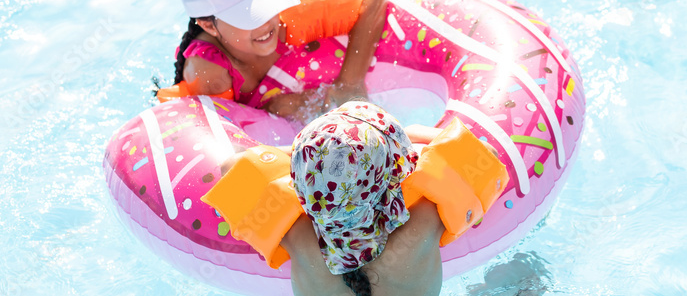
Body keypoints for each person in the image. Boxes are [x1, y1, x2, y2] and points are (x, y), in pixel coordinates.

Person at [205, 101, 504, 296]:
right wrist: (410, 137)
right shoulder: (423, 221)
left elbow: (233, 165)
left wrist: (303, 155)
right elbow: (485, 157)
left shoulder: (297, 232)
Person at [169, 0, 387, 120]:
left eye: (266, 4)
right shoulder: (210, 74)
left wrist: (349, 83)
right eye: (248, 16)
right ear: (209, 26)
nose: (265, 23)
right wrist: (274, 108)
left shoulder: (292, 14)